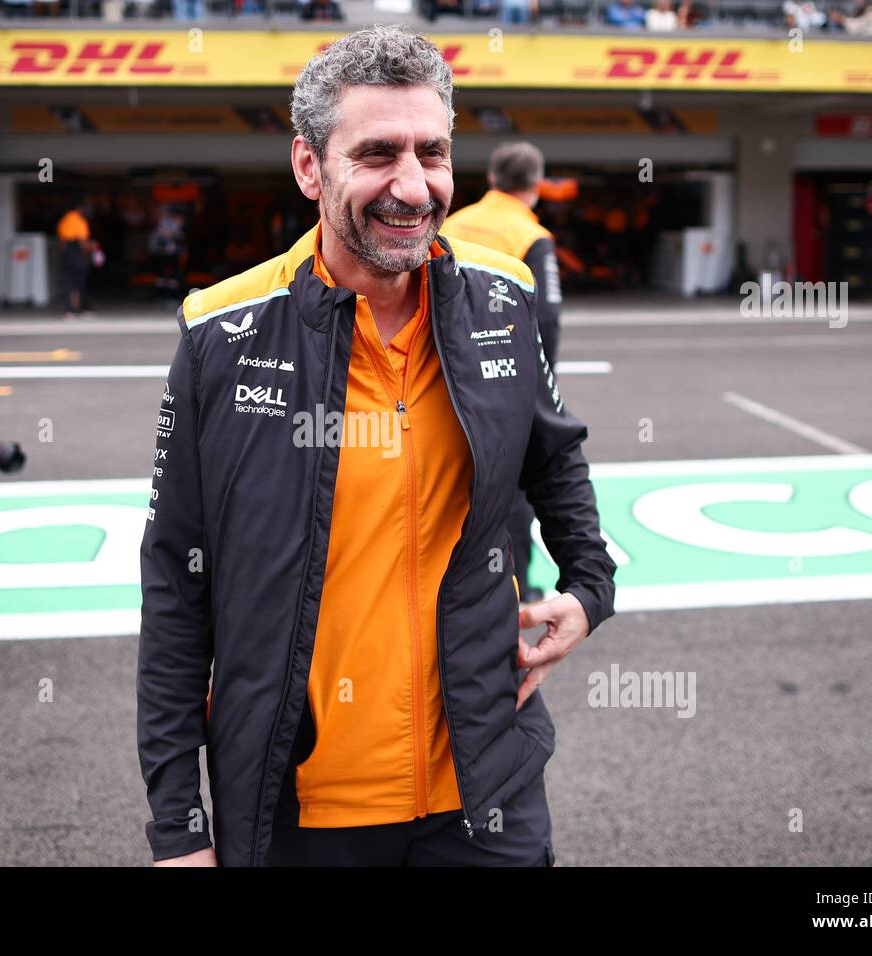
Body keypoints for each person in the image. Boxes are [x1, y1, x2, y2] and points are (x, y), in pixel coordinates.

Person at [138, 25, 616, 868]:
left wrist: (588, 588)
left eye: (432, 152)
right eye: (378, 153)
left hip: (486, 798)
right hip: (305, 815)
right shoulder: (221, 331)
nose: (412, 186)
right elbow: (178, 583)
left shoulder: (500, 299)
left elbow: (556, 455)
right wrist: (179, 827)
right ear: (309, 166)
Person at [442, 142, 565, 607]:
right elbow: (547, 317)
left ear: (491, 178)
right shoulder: (531, 235)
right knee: (515, 488)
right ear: (536, 187)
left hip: (447, 370)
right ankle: (517, 584)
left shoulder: (452, 223)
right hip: (505, 377)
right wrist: (539, 388)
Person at [57, 201, 94, 319]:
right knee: (80, 282)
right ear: (79, 208)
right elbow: (82, 241)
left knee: (69, 282)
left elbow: (61, 242)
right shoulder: (79, 221)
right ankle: (83, 309)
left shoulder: (64, 221)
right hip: (77, 253)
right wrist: (91, 248)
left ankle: (69, 310)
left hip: (67, 253)